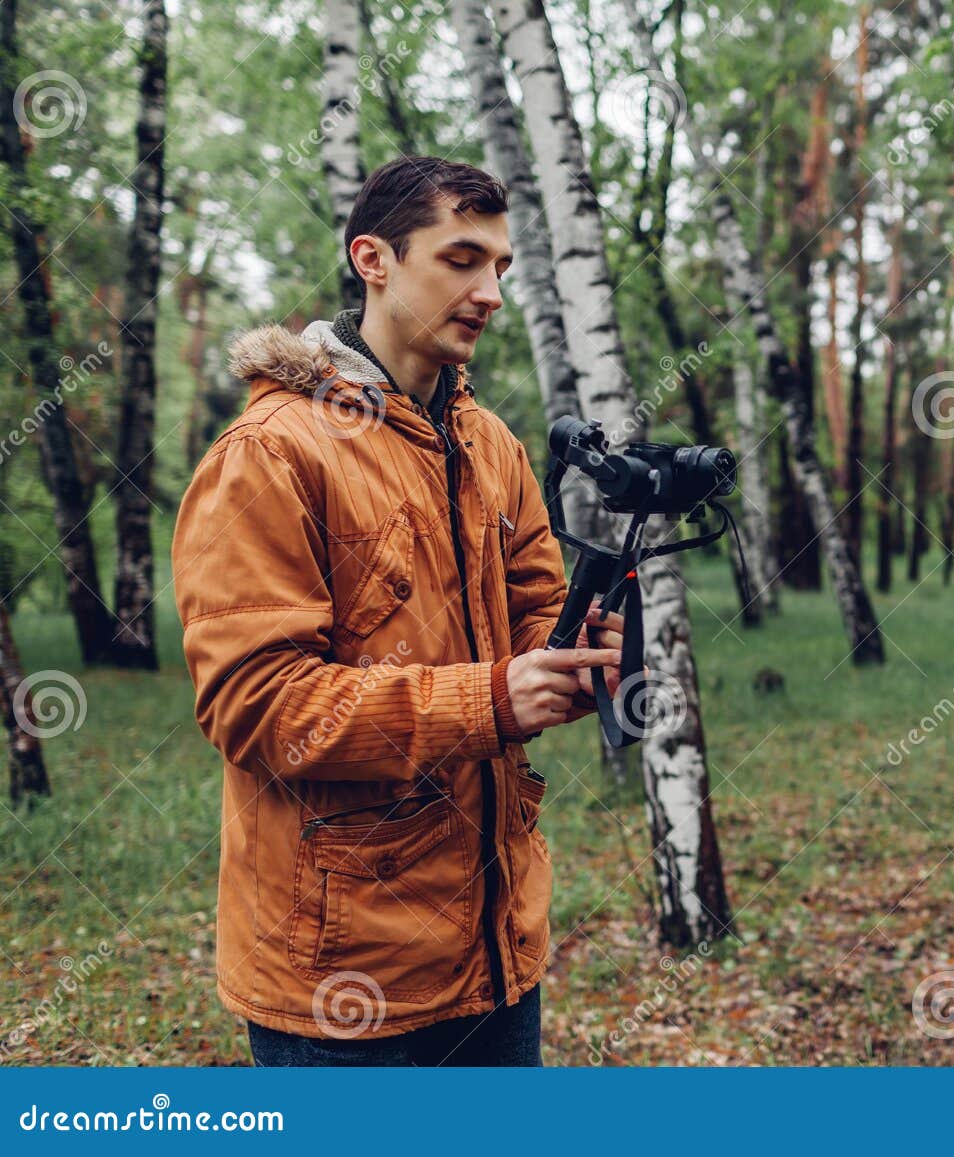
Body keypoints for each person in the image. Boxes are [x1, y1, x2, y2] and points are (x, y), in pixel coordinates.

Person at [171, 155, 622, 1066]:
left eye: (501, 266)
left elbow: (531, 615)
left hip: (496, 949)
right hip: (342, 969)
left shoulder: (487, 442)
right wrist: (493, 698)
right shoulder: (273, 452)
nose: (491, 291)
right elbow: (256, 704)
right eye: (462, 259)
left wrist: (572, 656)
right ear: (373, 258)